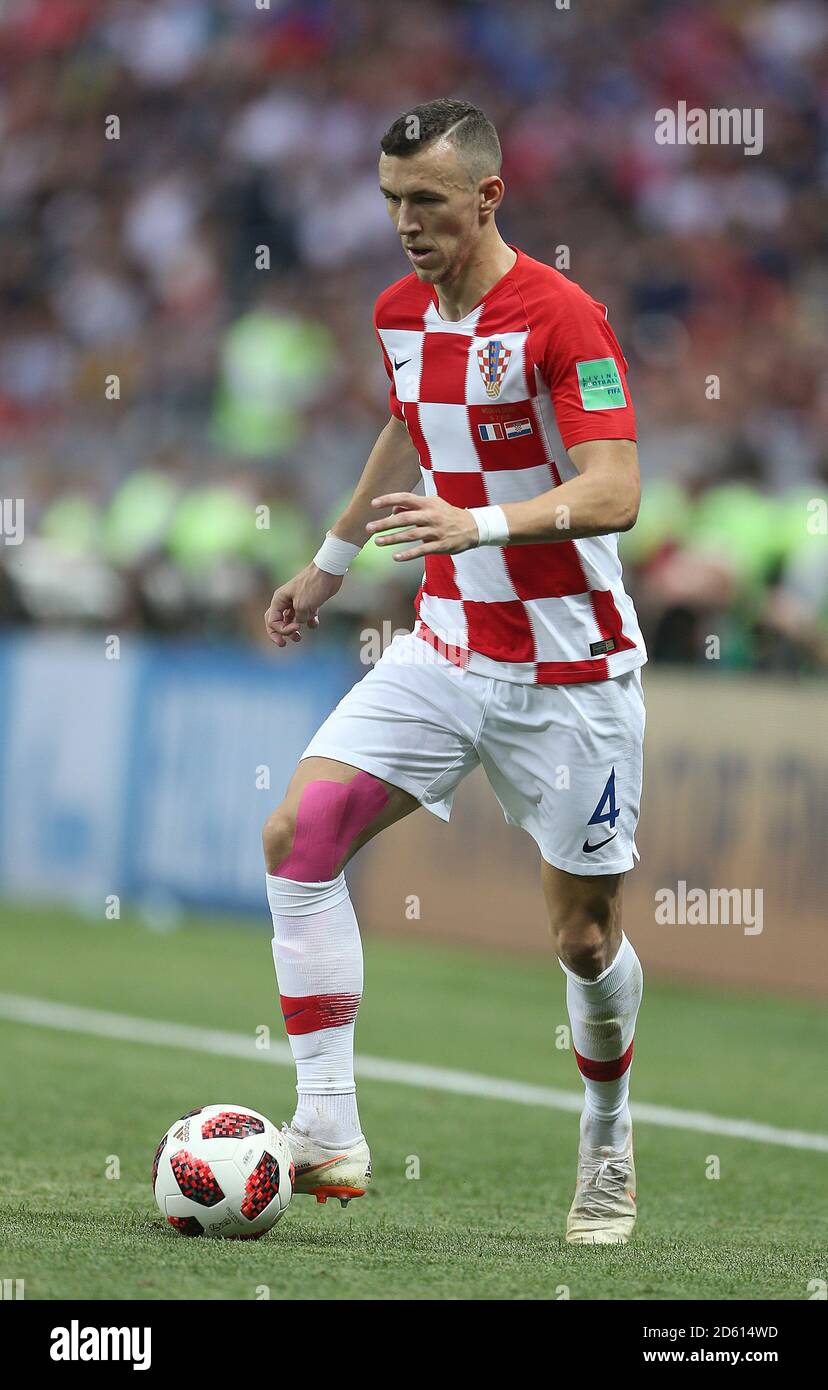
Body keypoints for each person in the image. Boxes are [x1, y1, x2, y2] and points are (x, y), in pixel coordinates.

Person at [262, 98, 646, 1243]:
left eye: (425, 201)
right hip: (443, 648)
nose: (403, 224)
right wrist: (331, 562)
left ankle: (608, 1139)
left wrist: (476, 527)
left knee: (583, 938)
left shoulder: (563, 317)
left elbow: (618, 489)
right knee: (299, 836)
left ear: (488, 195)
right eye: (389, 202)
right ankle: (328, 1126)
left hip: (569, 675)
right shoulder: (397, 311)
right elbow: (407, 418)